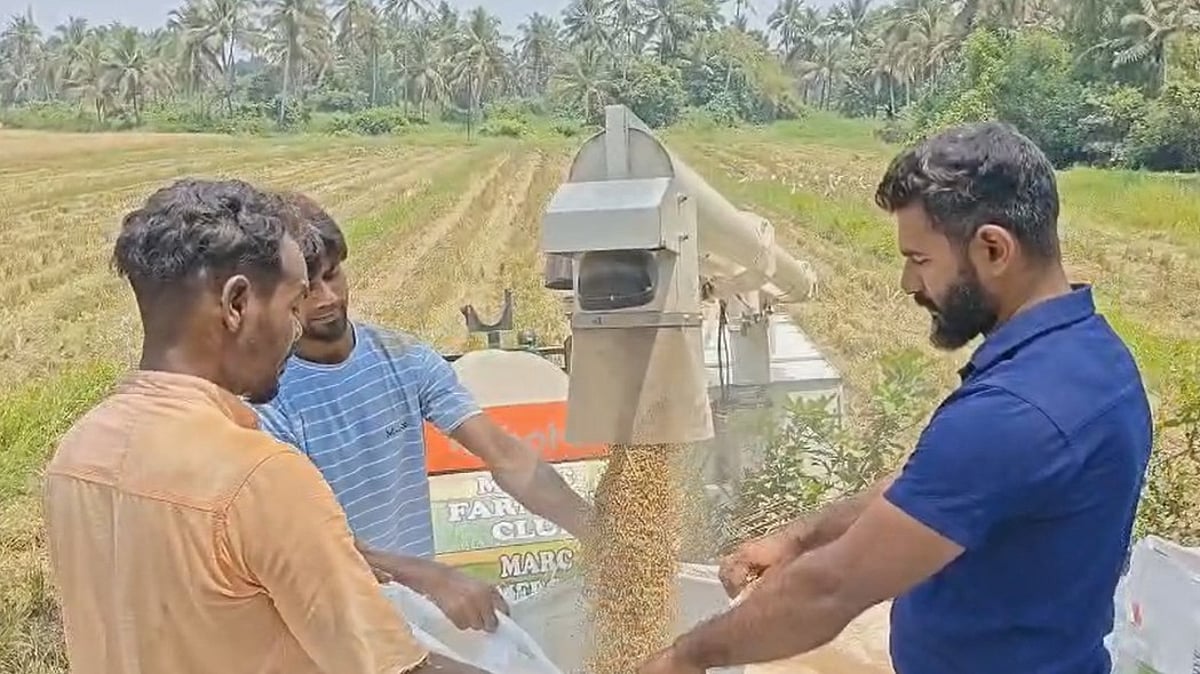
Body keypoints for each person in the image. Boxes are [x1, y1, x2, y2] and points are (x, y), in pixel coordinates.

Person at [638, 121, 1153, 674]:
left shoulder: (1017, 408)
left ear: (993, 248)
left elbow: (830, 589)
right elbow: (927, 491)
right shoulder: (1090, 356)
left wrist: (687, 656)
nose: (909, 283)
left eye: (921, 259)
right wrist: (796, 539)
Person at [42, 178, 486, 674]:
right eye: (292, 304)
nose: (297, 328)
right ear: (237, 304)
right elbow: (393, 668)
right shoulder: (259, 476)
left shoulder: (76, 454)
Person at [253, 192, 594, 633]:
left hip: (417, 619)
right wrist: (430, 577)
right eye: (307, 289)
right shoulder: (268, 397)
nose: (327, 298)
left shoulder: (403, 358)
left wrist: (595, 530)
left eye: (333, 276)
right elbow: (311, 544)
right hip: (337, 625)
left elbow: (504, 454)